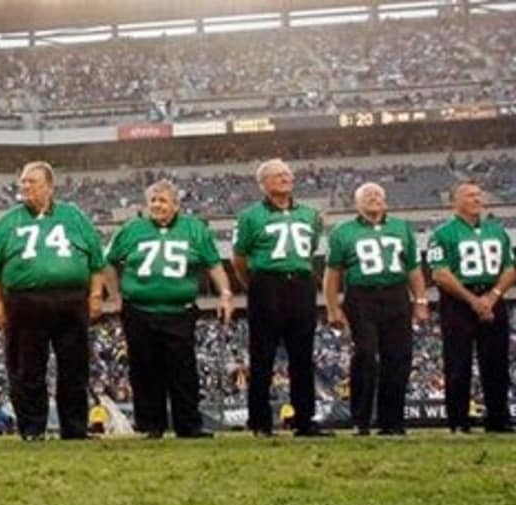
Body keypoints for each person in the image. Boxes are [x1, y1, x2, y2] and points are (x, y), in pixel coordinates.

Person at [0, 161, 106, 441]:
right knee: (27, 367)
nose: (24, 187)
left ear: (49, 186)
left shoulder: (74, 216)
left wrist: (96, 295)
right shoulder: (9, 221)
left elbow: (97, 261)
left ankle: (74, 428)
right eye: (22, 181)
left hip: (71, 299)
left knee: (74, 366)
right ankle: (32, 428)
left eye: (31, 182)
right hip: (26, 301)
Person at [104, 180, 234, 439]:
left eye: (163, 200)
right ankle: (151, 425)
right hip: (139, 308)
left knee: (183, 368)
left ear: (176, 205)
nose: (157, 205)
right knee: (143, 368)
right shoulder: (131, 230)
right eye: (152, 200)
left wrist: (226, 293)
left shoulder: (194, 229)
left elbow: (213, 264)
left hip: (179, 309)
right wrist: (115, 295)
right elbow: (108, 262)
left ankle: (188, 425)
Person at [232, 158, 331, 437]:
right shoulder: (250, 216)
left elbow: (309, 249)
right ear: (263, 184)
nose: (285, 178)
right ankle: (261, 422)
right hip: (266, 283)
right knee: (262, 356)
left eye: (287, 174)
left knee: (302, 356)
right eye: (277, 175)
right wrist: (254, 285)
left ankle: (304, 419)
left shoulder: (310, 214)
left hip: (300, 283)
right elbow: (239, 258)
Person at [323, 182, 428, 436]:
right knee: (366, 354)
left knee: (399, 357)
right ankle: (361, 419)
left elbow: (413, 268)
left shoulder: (401, 227)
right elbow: (332, 273)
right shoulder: (342, 231)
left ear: (386, 201)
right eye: (367, 195)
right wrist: (332, 308)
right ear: (356, 204)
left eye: (378, 194)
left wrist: (421, 301)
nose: (374, 198)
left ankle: (392, 421)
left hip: (396, 294)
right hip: (361, 296)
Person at [426, 180, 515, 433]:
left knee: (496, 362)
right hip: (458, 302)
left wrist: (493, 295)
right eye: (469, 196)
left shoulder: (497, 231)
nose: (477, 199)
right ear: (455, 201)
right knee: (458, 363)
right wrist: (472, 300)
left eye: (479, 195)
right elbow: (440, 273)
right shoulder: (442, 233)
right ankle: (458, 421)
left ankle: (498, 419)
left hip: (493, 298)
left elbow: (510, 267)